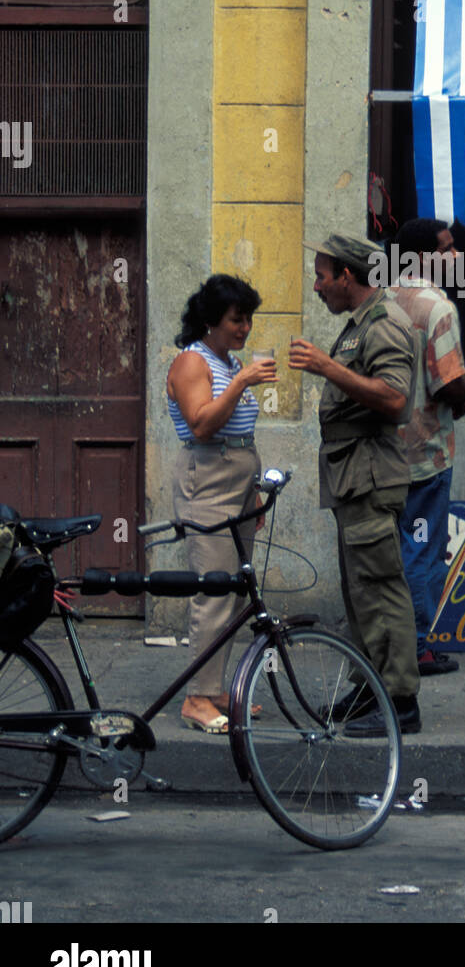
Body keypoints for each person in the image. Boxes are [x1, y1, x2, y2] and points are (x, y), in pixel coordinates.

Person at [289, 233, 421, 735]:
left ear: (347, 274)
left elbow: (394, 400)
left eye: (322, 275)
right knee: (361, 593)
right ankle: (371, 689)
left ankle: (401, 703)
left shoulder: (384, 324)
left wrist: (325, 368)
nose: (317, 285)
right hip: (352, 476)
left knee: (382, 590)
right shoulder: (358, 327)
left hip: (369, 475)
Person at [167, 275, 276, 733]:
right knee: (213, 590)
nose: (246, 327)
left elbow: (240, 432)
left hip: (236, 478)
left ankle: (215, 692)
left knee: (234, 591)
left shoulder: (226, 361)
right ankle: (195, 698)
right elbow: (201, 425)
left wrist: (254, 488)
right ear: (211, 320)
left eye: (249, 318)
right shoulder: (194, 362)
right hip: (207, 481)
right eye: (237, 319)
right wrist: (243, 380)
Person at [387, 218, 465, 674]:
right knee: (422, 551)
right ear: (422, 256)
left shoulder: (381, 300)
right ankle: (417, 647)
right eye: (446, 248)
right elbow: (448, 385)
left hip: (384, 453)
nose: (455, 256)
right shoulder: (436, 307)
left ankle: (388, 644)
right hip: (425, 455)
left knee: (390, 551)